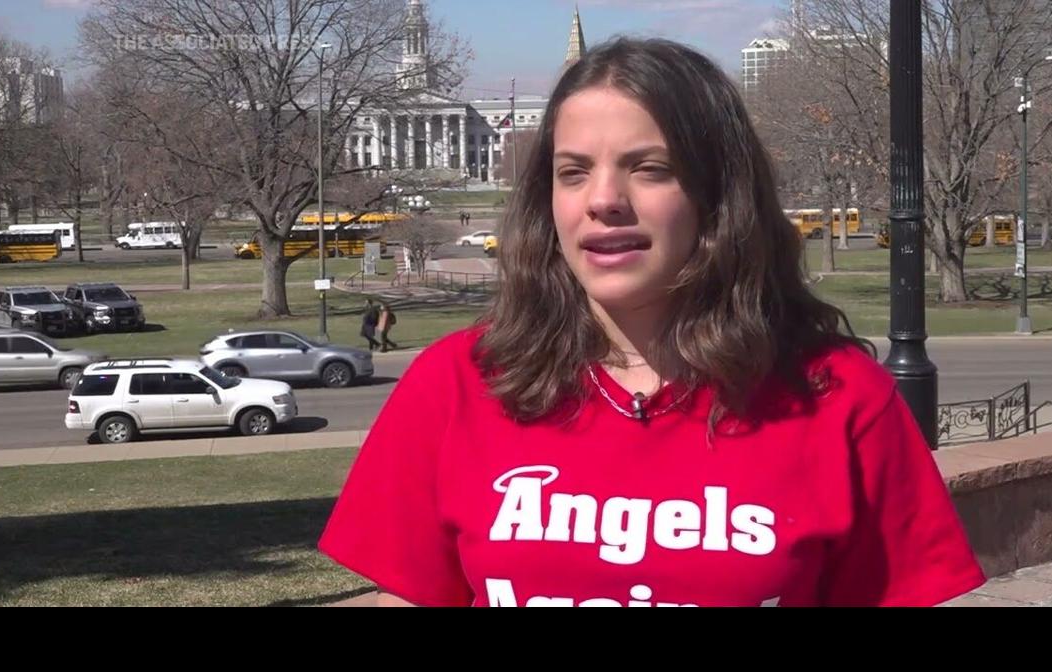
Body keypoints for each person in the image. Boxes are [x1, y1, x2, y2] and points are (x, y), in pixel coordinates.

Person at [320, 38, 984, 607]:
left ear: (717, 195)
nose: (604, 200)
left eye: (650, 169)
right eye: (573, 172)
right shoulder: (456, 383)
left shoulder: (838, 397)